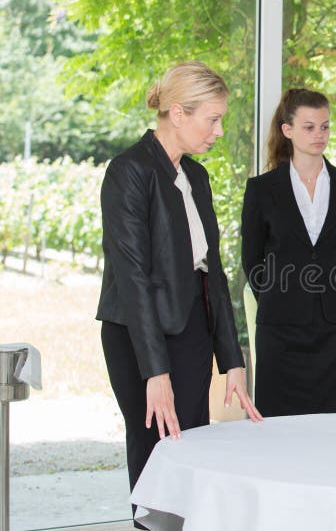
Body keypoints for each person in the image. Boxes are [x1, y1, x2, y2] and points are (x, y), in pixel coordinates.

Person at [96, 61, 262, 526]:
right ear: (177, 112)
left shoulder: (198, 177)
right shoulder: (128, 171)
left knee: (193, 444)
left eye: (221, 119)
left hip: (190, 331)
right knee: (154, 449)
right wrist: (155, 371)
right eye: (212, 119)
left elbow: (213, 271)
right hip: (137, 336)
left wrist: (232, 359)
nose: (218, 130)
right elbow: (131, 278)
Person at [241, 88, 336, 417]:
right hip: (279, 328)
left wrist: (331, 294)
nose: (319, 135)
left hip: (334, 327)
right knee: (280, 429)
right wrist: (278, 296)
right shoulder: (261, 190)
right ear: (288, 130)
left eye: (324, 126)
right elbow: (252, 259)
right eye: (309, 127)